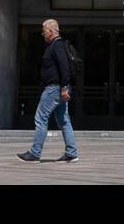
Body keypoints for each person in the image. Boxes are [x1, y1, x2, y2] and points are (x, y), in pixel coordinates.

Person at [16, 19, 78, 164]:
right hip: (58, 88)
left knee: (40, 118)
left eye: (43, 31)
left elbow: (64, 68)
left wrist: (64, 87)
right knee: (63, 120)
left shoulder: (57, 46)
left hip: (54, 89)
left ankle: (34, 154)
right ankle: (71, 153)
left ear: (50, 31)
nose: (42, 33)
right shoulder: (57, 45)